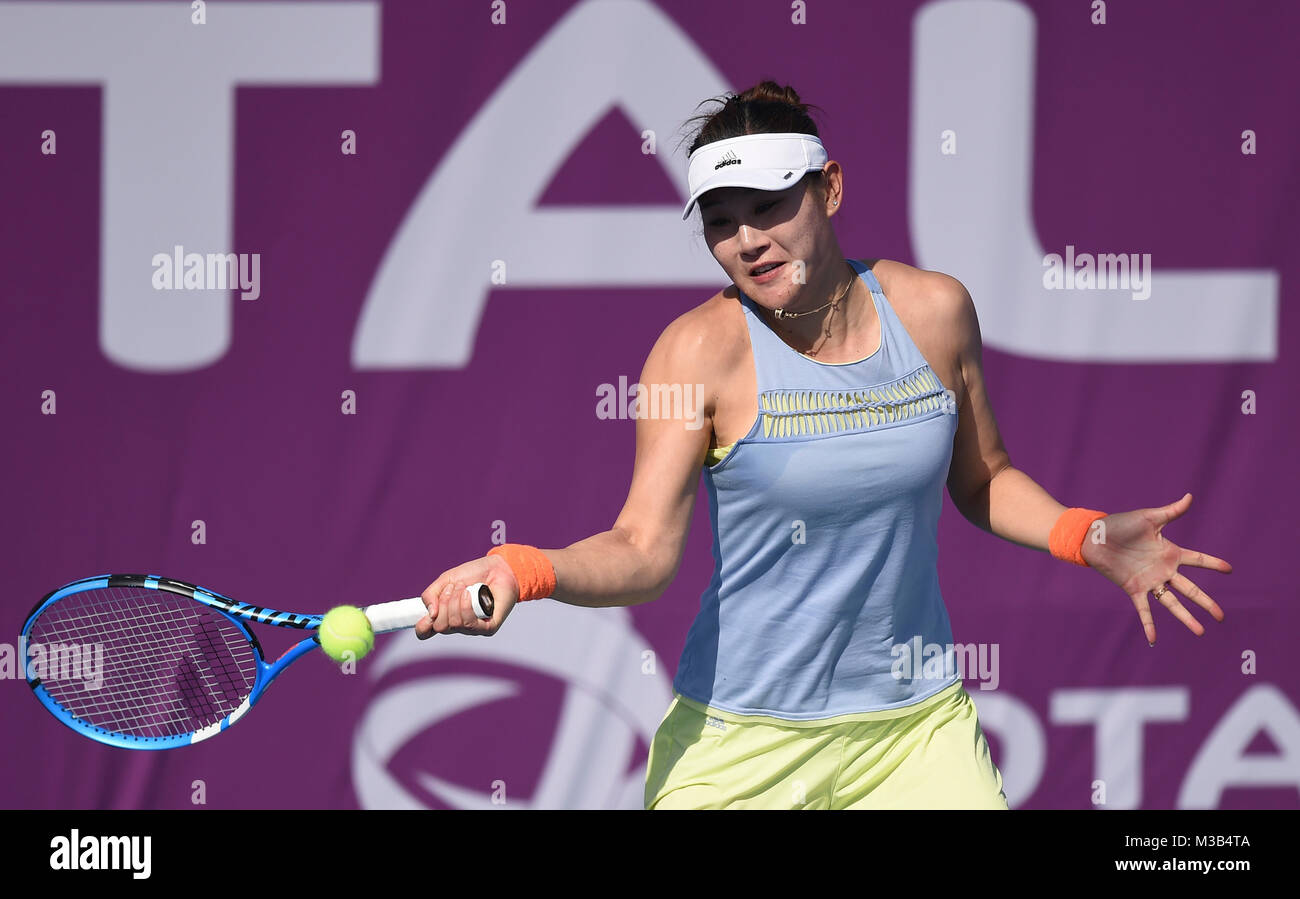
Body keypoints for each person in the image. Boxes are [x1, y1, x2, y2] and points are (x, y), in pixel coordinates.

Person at [412, 81, 1232, 809]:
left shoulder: (936, 312)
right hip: (742, 742)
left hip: (917, 733)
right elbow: (642, 547)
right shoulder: (694, 352)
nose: (748, 242)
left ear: (829, 187)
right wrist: (523, 567)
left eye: (770, 206)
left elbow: (984, 478)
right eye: (723, 223)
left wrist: (1083, 534)